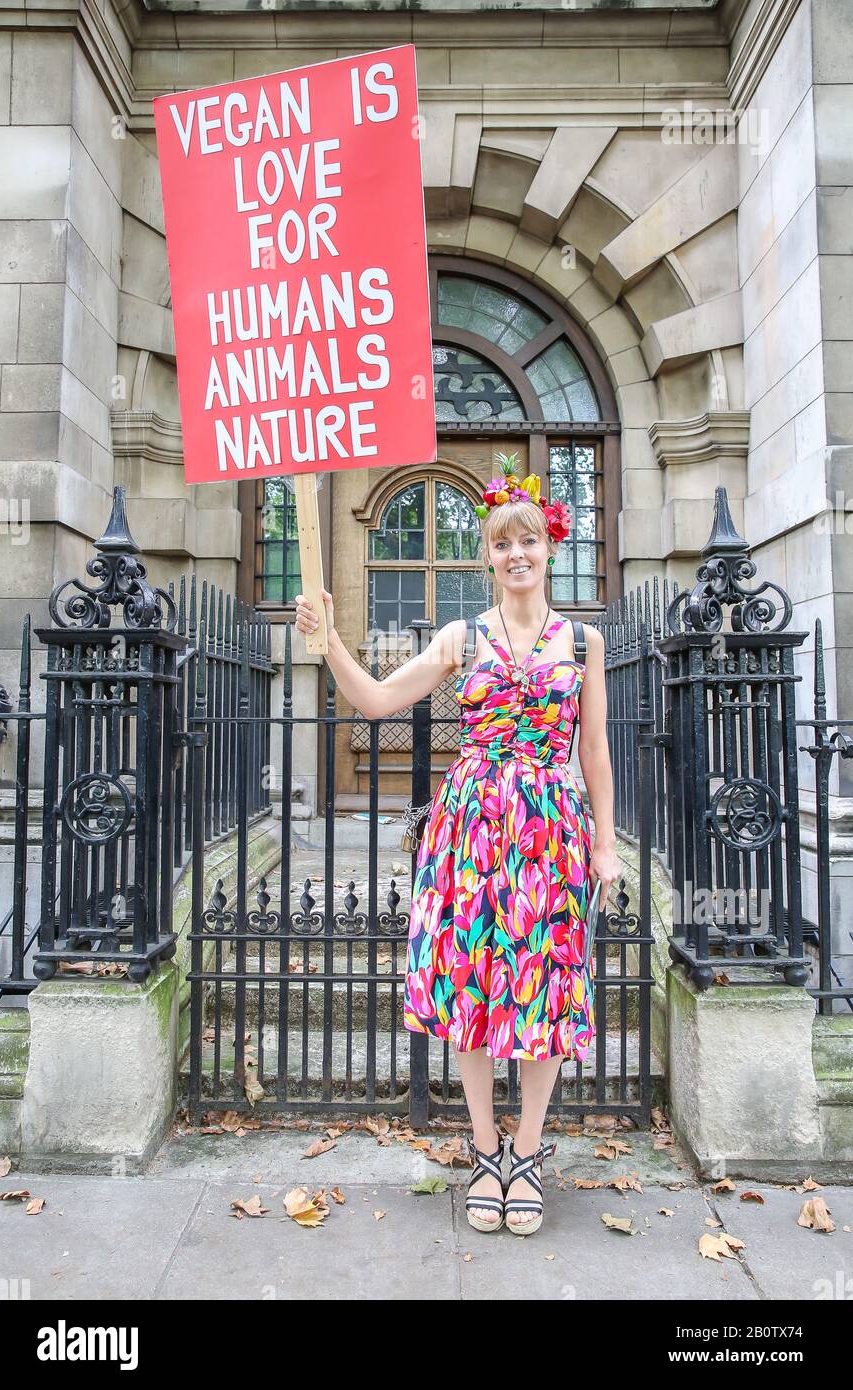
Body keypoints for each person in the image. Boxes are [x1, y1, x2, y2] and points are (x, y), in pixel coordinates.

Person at [294, 455, 621, 1236]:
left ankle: (529, 1153)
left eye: (529, 542)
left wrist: (606, 844)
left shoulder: (583, 644)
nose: (516, 556)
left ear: (550, 548)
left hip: (550, 833)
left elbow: (597, 752)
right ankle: (484, 1150)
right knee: (474, 987)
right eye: (502, 545)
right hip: (470, 831)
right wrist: (330, 637)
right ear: (488, 557)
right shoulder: (459, 638)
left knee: (542, 988)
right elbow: (375, 701)